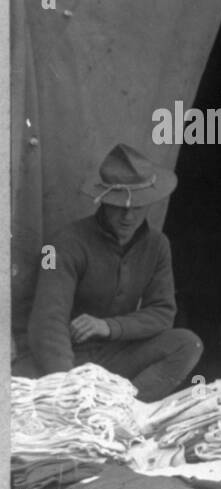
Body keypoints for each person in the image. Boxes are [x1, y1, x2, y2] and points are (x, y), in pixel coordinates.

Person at [17, 144, 203, 401]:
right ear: (103, 201)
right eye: (119, 206)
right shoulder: (64, 244)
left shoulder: (158, 246)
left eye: (137, 207)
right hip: (65, 358)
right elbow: (47, 325)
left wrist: (109, 327)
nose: (128, 217)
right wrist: (70, 387)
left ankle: (124, 410)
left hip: (113, 356)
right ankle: (84, 404)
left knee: (186, 344)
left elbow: (162, 313)